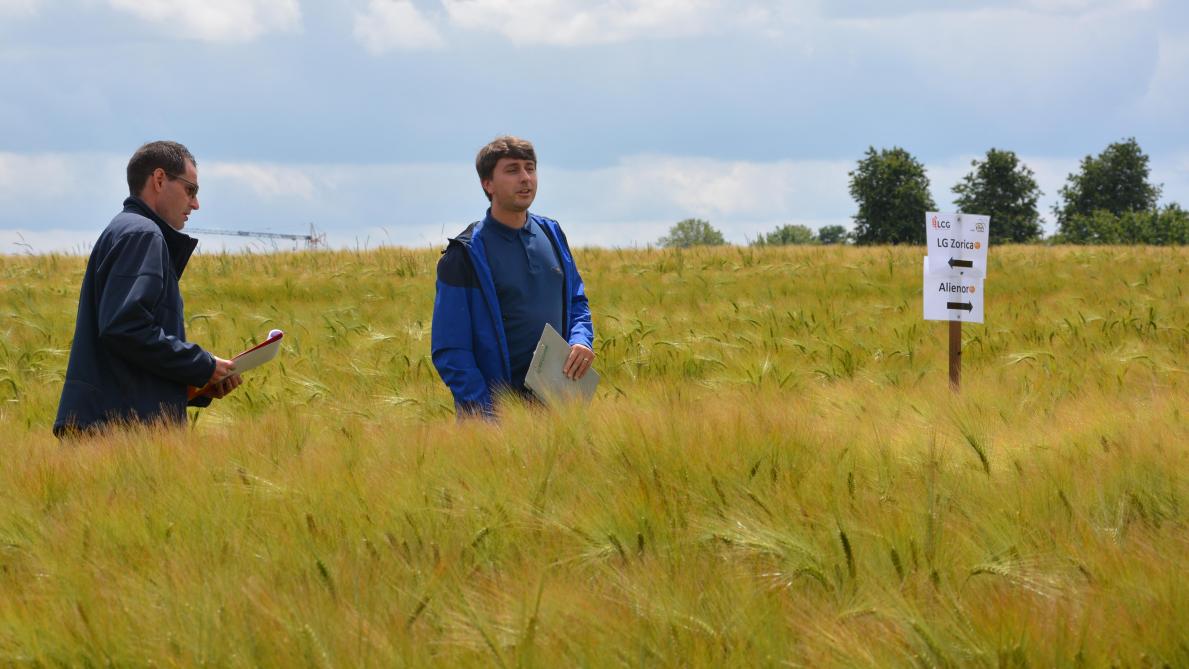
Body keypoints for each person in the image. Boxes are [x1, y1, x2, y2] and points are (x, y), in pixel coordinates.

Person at [53, 141, 241, 437]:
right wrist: (201, 364)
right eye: (191, 190)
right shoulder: (143, 235)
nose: (196, 204)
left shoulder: (125, 231)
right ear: (159, 179)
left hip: (106, 428)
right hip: (116, 436)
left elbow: (127, 361)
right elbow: (125, 327)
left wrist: (199, 384)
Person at [432, 136, 594, 417]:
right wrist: (487, 414)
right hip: (495, 419)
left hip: (559, 409)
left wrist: (581, 340)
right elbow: (451, 350)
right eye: (512, 170)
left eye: (530, 168)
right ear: (488, 184)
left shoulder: (552, 234)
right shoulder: (465, 255)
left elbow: (576, 301)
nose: (525, 178)